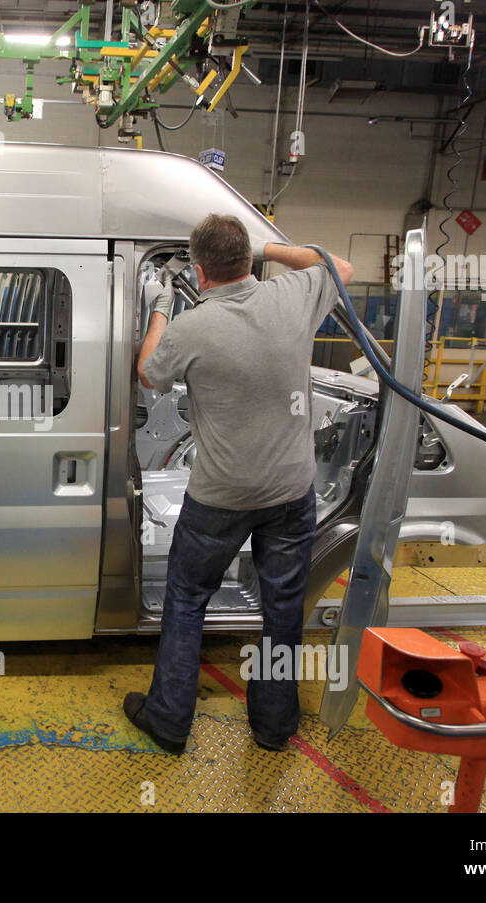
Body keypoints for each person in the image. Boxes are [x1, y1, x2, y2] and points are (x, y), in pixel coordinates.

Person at [123, 213, 354, 755]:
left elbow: (149, 372)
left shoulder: (191, 327)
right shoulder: (294, 296)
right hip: (290, 494)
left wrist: (160, 309)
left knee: (186, 600)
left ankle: (169, 721)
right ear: (249, 261)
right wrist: (272, 248)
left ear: (199, 273)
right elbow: (339, 265)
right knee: (282, 608)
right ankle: (274, 727)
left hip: (220, 498)